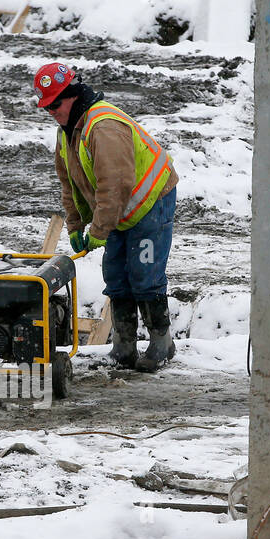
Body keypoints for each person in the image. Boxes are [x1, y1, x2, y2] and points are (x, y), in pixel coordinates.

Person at [34, 61, 179, 372]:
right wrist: (75, 225)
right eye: (46, 107)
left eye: (55, 104)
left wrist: (99, 229)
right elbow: (69, 184)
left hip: (149, 201)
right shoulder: (68, 132)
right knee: (115, 274)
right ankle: (124, 345)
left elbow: (114, 186)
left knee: (144, 274)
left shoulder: (103, 127)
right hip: (118, 211)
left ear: (72, 95)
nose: (52, 111)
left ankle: (161, 343)